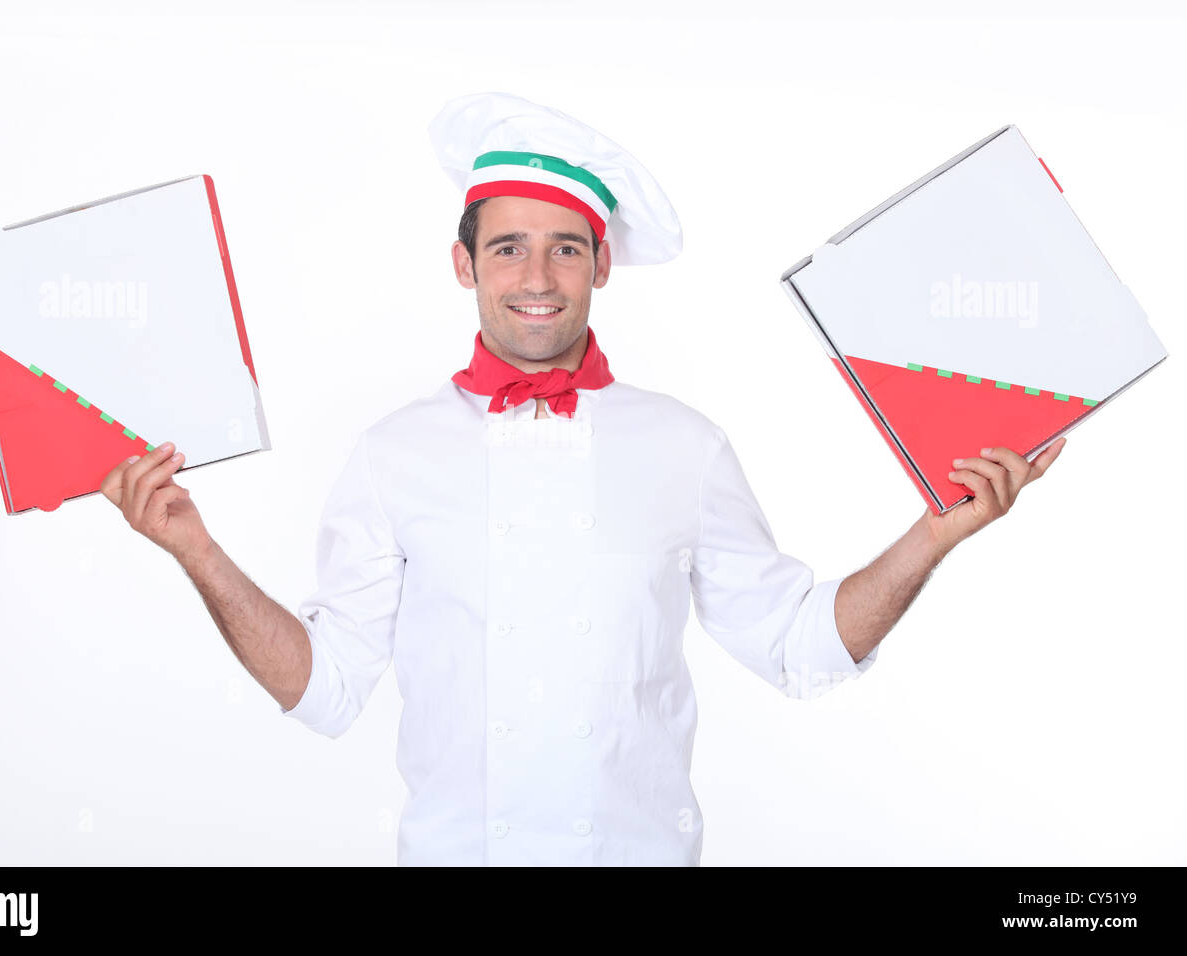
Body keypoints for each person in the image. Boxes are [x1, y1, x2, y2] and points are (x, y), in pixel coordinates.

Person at [99, 92, 1065, 866]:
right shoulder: (391, 456)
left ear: (604, 264)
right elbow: (326, 689)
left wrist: (934, 532)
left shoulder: (685, 446)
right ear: (462, 264)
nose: (537, 277)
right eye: (508, 246)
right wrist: (196, 548)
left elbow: (799, 648)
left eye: (566, 248)